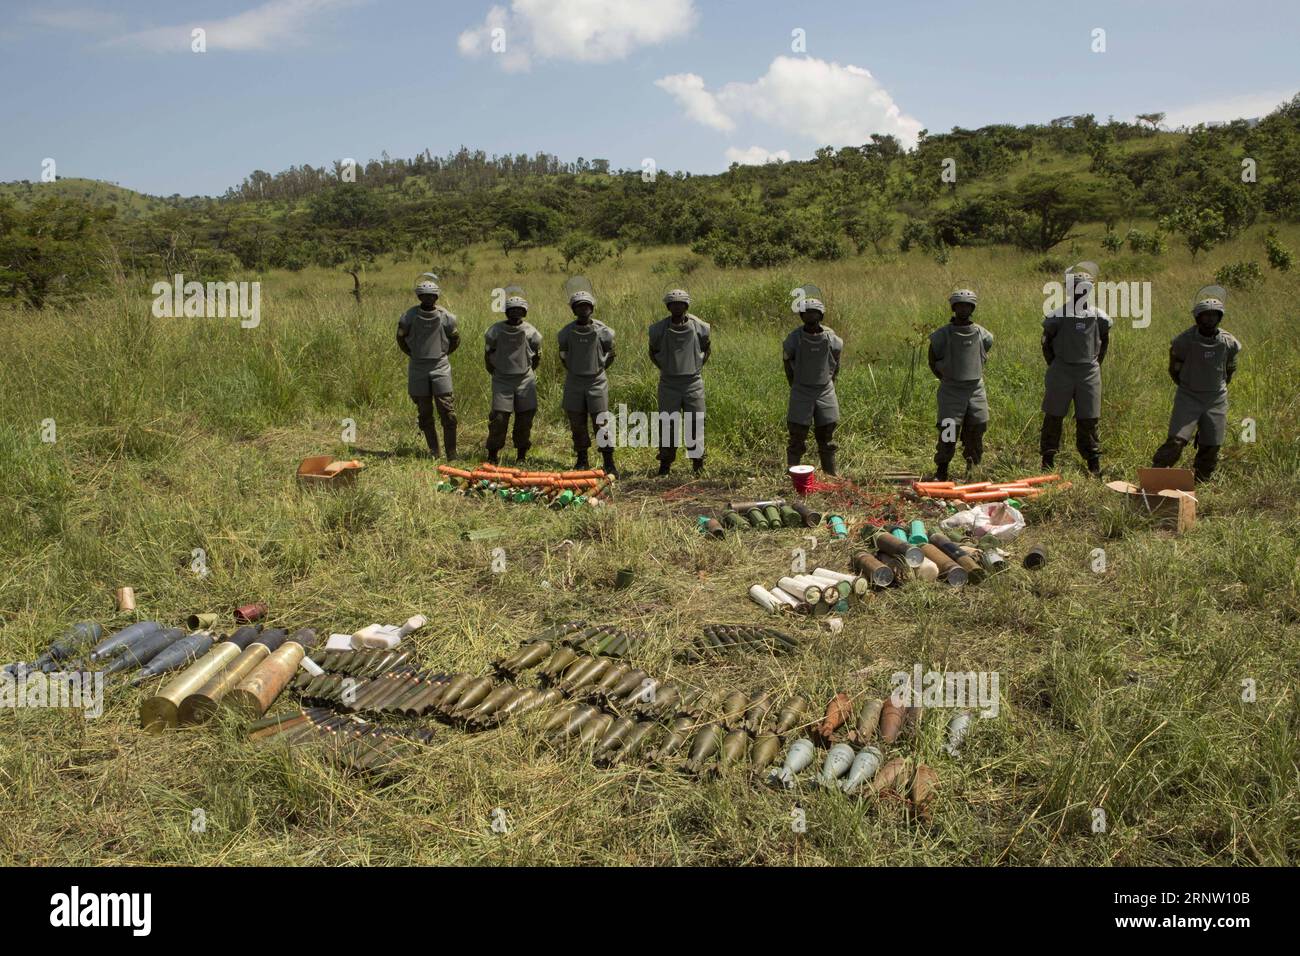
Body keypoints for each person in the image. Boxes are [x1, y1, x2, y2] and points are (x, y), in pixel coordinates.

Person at [1150, 293, 1242, 481]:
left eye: (1214, 315)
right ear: (1197, 317)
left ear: (1220, 317)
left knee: (1212, 444)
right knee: (1176, 441)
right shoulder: (1183, 341)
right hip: (1189, 396)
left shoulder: (1228, 342)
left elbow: (1230, 369)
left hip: (1216, 398)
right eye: (1205, 315)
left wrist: (1217, 388)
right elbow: (1174, 369)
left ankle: (1200, 483)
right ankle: (1154, 478)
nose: (1210, 319)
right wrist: (1189, 386)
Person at [1040, 265, 1111, 474]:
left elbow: (1104, 341)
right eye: (1076, 288)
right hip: (1061, 369)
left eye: (1084, 288)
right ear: (1069, 291)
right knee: (1053, 416)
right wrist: (1055, 365)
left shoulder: (1100, 316)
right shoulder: (1057, 315)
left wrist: (1096, 363)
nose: (1080, 292)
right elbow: (1046, 342)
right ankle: (1048, 460)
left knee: (1089, 418)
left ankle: (1093, 462)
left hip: (1088, 371)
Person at [928, 288, 994, 481]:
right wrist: (947, 378)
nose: (963, 309)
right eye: (959, 305)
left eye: (967, 305)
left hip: (975, 389)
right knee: (948, 431)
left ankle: (972, 469)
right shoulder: (941, 336)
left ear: (972, 307)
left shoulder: (984, 335)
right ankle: (942, 469)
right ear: (953, 307)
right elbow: (932, 361)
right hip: (951, 390)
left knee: (977, 428)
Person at [648, 289, 710, 475]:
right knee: (668, 423)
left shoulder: (700, 326)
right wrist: (666, 368)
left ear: (686, 306)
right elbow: (653, 352)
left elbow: (707, 348)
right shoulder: (658, 329)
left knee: (696, 423)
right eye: (673, 304)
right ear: (668, 306)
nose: (677, 307)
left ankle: (698, 465)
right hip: (669, 383)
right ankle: (665, 465)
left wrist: (696, 367)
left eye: (681, 303)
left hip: (693, 382)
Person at [396, 276, 459, 458]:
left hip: (440, 366)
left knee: (447, 411)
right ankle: (434, 451)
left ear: (437, 297)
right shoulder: (408, 316)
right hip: (418, 368)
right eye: (424, 295)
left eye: (432, 296)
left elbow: (455, 339)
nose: (428, 299)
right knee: (424, 412)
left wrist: (442, 354)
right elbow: (401, 338)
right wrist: (414, 354)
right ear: (419, 297)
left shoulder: (446, 317)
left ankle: (452, 453)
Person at [558, 290, 617, 475]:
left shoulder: (604, 331)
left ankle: (608, 460)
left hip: (596, 381)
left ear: (592, 308)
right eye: (579, 306)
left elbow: (611, 353)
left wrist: (599, 368)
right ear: (574, 310)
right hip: (574, 381)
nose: (583, 309)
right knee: (576, 421)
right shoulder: (565, 332)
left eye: (586, 306)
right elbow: (563, 355)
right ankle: (582, 459)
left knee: (601, 421)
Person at [783, 296, 843, 475]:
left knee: (827, 435)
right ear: (801, 316)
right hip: (801, 390)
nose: (810, 316)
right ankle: (793, 474)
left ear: (820, 315)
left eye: (813, 313)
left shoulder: (831, 337)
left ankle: (830, 475)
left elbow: (836, 361)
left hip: (825, 390)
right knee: (797, 436)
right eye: (806, 313)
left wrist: (831, 382)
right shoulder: (794, 338)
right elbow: (787, 362)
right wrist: (794, 384)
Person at [484, 295, 542, 464]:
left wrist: (527, 373)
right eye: (511, 309)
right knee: (499, 418)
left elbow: (536, 358)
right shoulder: (494, 331)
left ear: (524, 311)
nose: (515, 312)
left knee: (525, 419)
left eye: (519, 309)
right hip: (502, 379)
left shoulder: (532, 332)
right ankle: (493, 454)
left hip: (525, 380)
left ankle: (521, 455)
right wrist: (497, 373)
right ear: (506, 312)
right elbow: (488, 356)